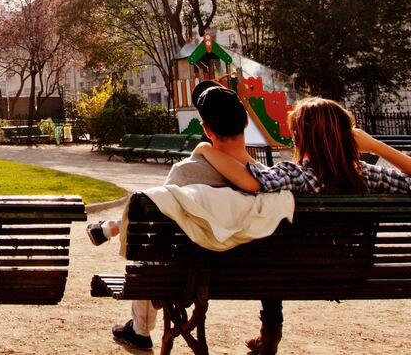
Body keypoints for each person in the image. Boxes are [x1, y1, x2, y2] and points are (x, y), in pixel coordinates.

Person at [193, 97, 411, 354]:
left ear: (300, 138)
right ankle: (269, 333)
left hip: (296, 274)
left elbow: (251, 182)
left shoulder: (295, 174)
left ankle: (270, 331)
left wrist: (205, 149)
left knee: (270, 244)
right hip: (353, 270)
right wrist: (375, 146)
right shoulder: (366, 174)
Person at [95, 80, 278, 352]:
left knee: (151, 245)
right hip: (257, 274)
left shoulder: (186, 173)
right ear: (245, 124)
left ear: (205, 129)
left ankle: (140, 330)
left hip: (192, 275)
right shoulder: (268, 178)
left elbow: (156, 232)